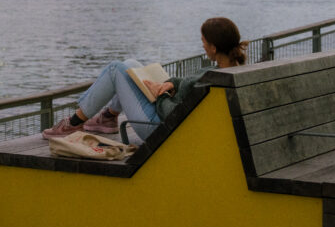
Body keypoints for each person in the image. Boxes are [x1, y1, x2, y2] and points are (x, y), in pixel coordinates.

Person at [42, 17, 247, 140]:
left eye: (203, 41)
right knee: (130, 65)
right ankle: (109, 117)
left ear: (213, 47)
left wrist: (160, 93)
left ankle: (74, 122)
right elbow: (187, 88)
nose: (201, 45)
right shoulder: (227, 70)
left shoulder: (211, 76)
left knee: (116, 70)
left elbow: (171, 113)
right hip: (175, 125)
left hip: (160, 130)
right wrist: (170, 84)